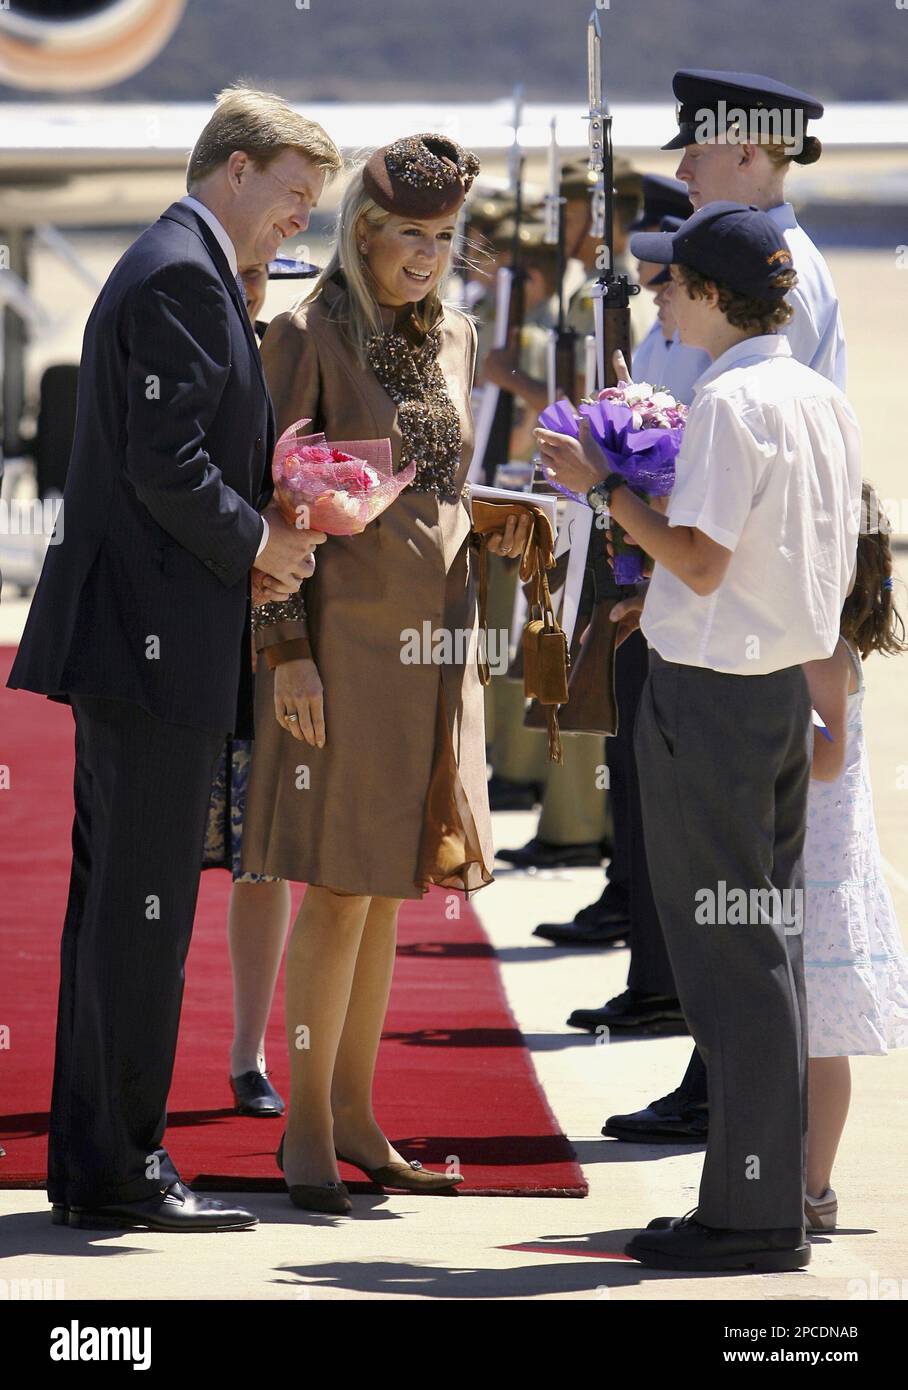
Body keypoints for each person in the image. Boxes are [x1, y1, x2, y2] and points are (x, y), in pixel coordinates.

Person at [6, 85, 342, 1231]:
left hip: (139, 639)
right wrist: (269, 543)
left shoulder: (176, 263)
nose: (303, 218)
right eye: (296, 194)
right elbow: (166, 463)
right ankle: (123, 1169)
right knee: (141, 915)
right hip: (152, 645)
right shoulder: (183, 275)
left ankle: (97, 1161)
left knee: (119, 914)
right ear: (235, 168)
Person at [539, 202, 862, 1271]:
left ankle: (751, 1213)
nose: (660, 299)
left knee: (728, 961)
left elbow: (702, 558)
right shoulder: (811, 393)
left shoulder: (729, 400)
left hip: (716, 702)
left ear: (713, 296)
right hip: (772, 691)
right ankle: (756, 1197)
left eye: (671, 285)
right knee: (756, 948)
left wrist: (604, 490)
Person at [240, 135, 513, 1214]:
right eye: (410, 235)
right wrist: (285, 648)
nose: (429, 257)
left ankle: (356, 1111)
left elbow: (441, 492)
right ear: (363, 229)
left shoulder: (455, 331)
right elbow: (268, 507)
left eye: (446, 240)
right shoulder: (304, 331)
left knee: (391, 886)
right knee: (339, 884)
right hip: (338, 652)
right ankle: (303, 1121)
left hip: (435, 654)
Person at [593, 69, 852, 1120]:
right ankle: (753, 1154)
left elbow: (738, 534)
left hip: (741, 661)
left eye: (695, 152)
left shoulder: (758, 347)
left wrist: (614, 497)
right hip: (759, 643)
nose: (682, 168)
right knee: (748, 921)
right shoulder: (771, 312)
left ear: (747, 152)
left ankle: (746, 1159)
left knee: (734, 922)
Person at [801, 482, 908, 1231]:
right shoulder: (814, 644)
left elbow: (826, 759)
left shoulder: (821, 653)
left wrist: (753, 741)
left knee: (817, 1039)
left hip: (816, 868)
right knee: (799, 1036)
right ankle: (793, 1175)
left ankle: (812, 1186)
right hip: (811, 860)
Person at [202, 259, 292, 1121]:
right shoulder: (194, 344)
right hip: (193, 628)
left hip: (269, 638)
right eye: (248, 275)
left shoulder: (289, 360)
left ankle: (249, 1051)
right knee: (151, 859)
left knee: (261, 861)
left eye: (268, 275)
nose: (255, 289)